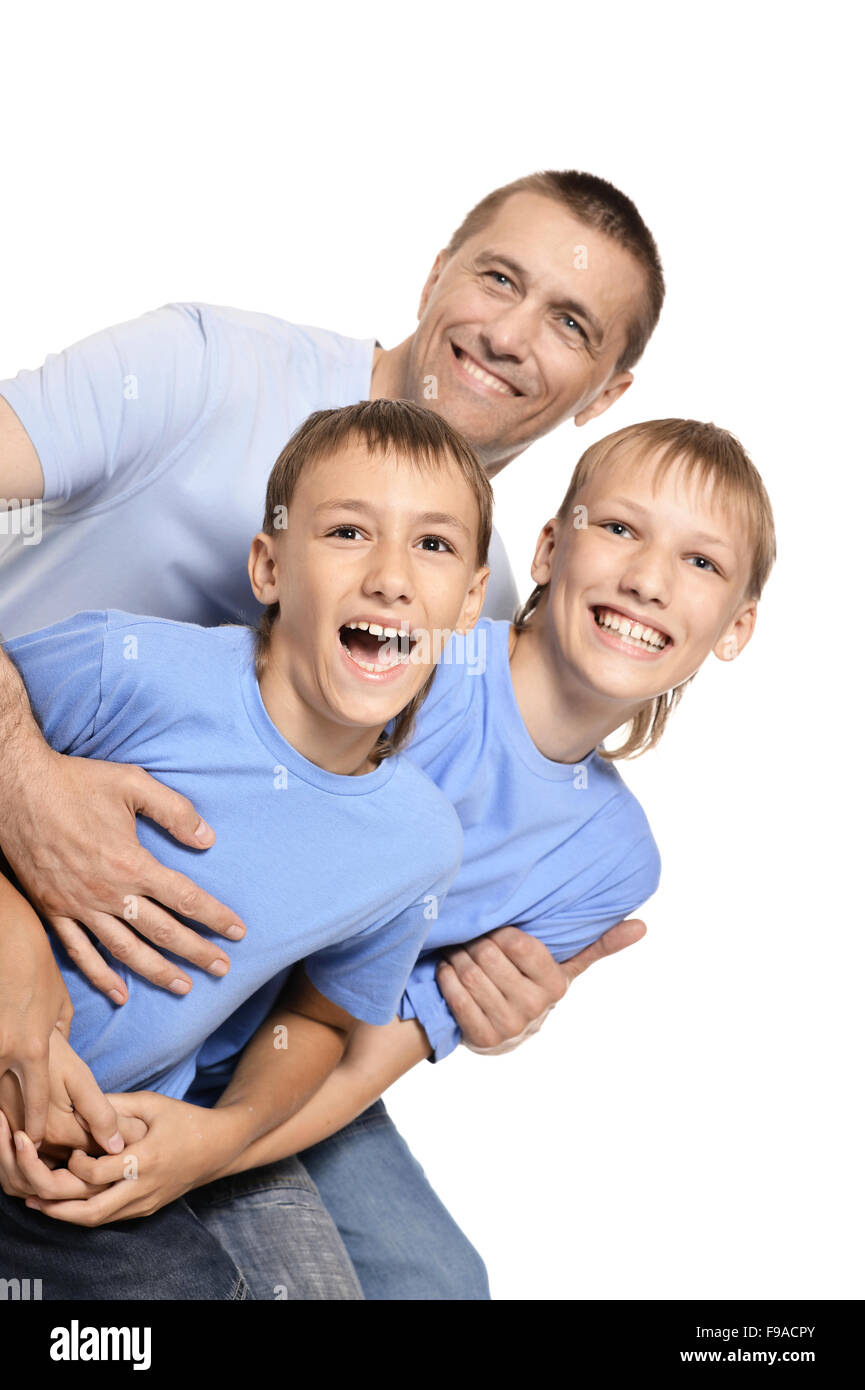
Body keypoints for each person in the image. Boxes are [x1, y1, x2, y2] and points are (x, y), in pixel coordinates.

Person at [0, 168, 664, 1298]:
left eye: (568, 323)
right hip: (22, 849)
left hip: (203, 1004)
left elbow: (365, 884)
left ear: (602, 389)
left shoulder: (478, 620)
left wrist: (485, 975)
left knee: (428, 1283)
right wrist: (17, 775)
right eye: (498, 277)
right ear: (433, 276)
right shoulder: (206, 367)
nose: (509, 335)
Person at [0, 418, 776, 1306]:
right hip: (114, 1024)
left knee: (439, 1286)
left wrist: (206, 1151)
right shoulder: (397, 656)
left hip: (260, 1065)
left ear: (736, 625)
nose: (647, 580)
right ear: (552, 547)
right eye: (621, 529)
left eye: (702, 562)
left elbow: (348, 1032)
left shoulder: (591, 859)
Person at [0, 398, 493, 1299]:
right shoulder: (132, 669)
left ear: (468, 604)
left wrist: (216, 1138)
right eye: (348, 530)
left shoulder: (416, 842)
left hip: (81, 1159)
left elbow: (318, 1020)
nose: (389, 577)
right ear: (269, 565)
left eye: (432, 545)